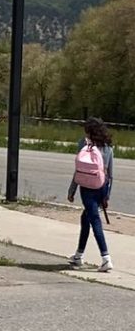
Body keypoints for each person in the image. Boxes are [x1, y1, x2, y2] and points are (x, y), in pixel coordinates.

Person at [67, 116, 114, 272]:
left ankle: (106, 258)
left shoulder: (83, 144)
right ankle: (78, 255)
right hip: (102, 186)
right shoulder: (108, 147)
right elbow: (111, 173)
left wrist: (72, 189)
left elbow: (78, 169)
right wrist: (107, 195)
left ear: (89, 130)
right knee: (85, 218)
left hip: (87, 187)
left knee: (94, 220)